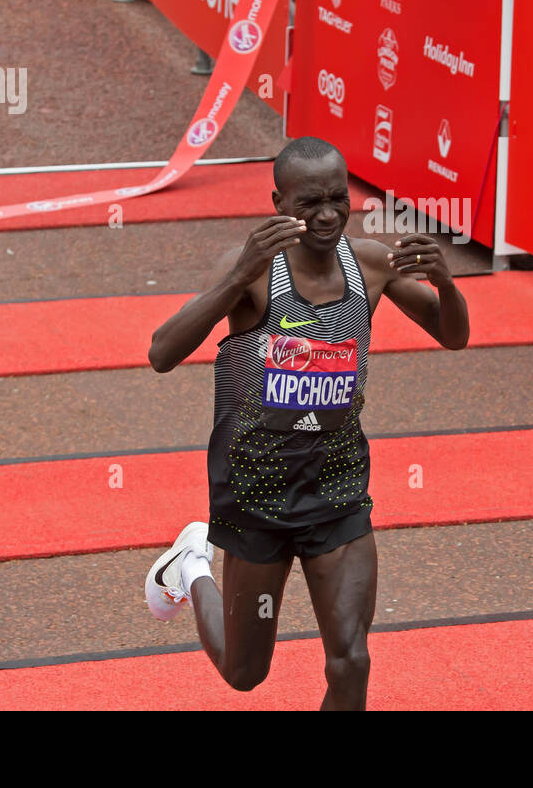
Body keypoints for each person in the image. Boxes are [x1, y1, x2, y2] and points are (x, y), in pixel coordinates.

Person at [144, 136, 470, 710]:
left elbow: (453, 336)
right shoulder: (252, 271)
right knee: (245, 674)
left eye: (338, 199)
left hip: (337, 490)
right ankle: (192, 567)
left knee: (352, 662)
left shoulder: (369, 264)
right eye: (309, 202)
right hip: (255, 494)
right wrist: (236, 276)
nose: (327, 214)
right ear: (278, 202)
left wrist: (446, 284)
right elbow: (161, 352)